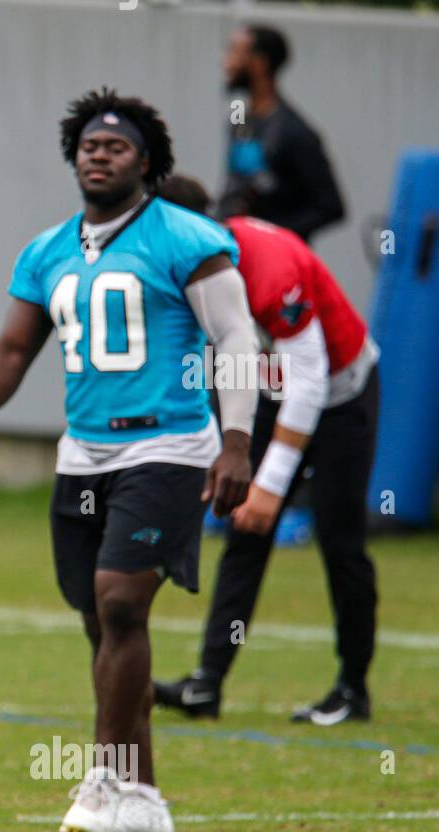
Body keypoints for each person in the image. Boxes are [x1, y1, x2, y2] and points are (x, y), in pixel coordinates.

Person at [0, 90, 259, 832]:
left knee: (120, 602)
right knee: (99, 618)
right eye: (88, 143)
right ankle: (143, 795)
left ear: (145, 162)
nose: (99, 153)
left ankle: (108, 774)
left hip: (169, 444)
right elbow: (15, 348)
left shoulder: (187, 236)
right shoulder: (48, 250)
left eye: (115, 145)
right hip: (84, 451)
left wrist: (237, 440)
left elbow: (237, 337)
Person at [153, 176, 379, 726]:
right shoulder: (184, 267)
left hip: (340, 392)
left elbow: (311, 383)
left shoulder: (270, 265)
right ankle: (208, 683)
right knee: (243, 532)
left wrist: (270, 485)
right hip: (273, 392)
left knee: (339, 538)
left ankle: (353, 688)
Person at [219, 23, 344, 243]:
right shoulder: (239, 123)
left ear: (260, 63)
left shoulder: (295, 132)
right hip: (239, 255)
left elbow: (331, 207)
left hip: (278, 266)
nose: (225, 62)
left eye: (235, 52)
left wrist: (274, 233)